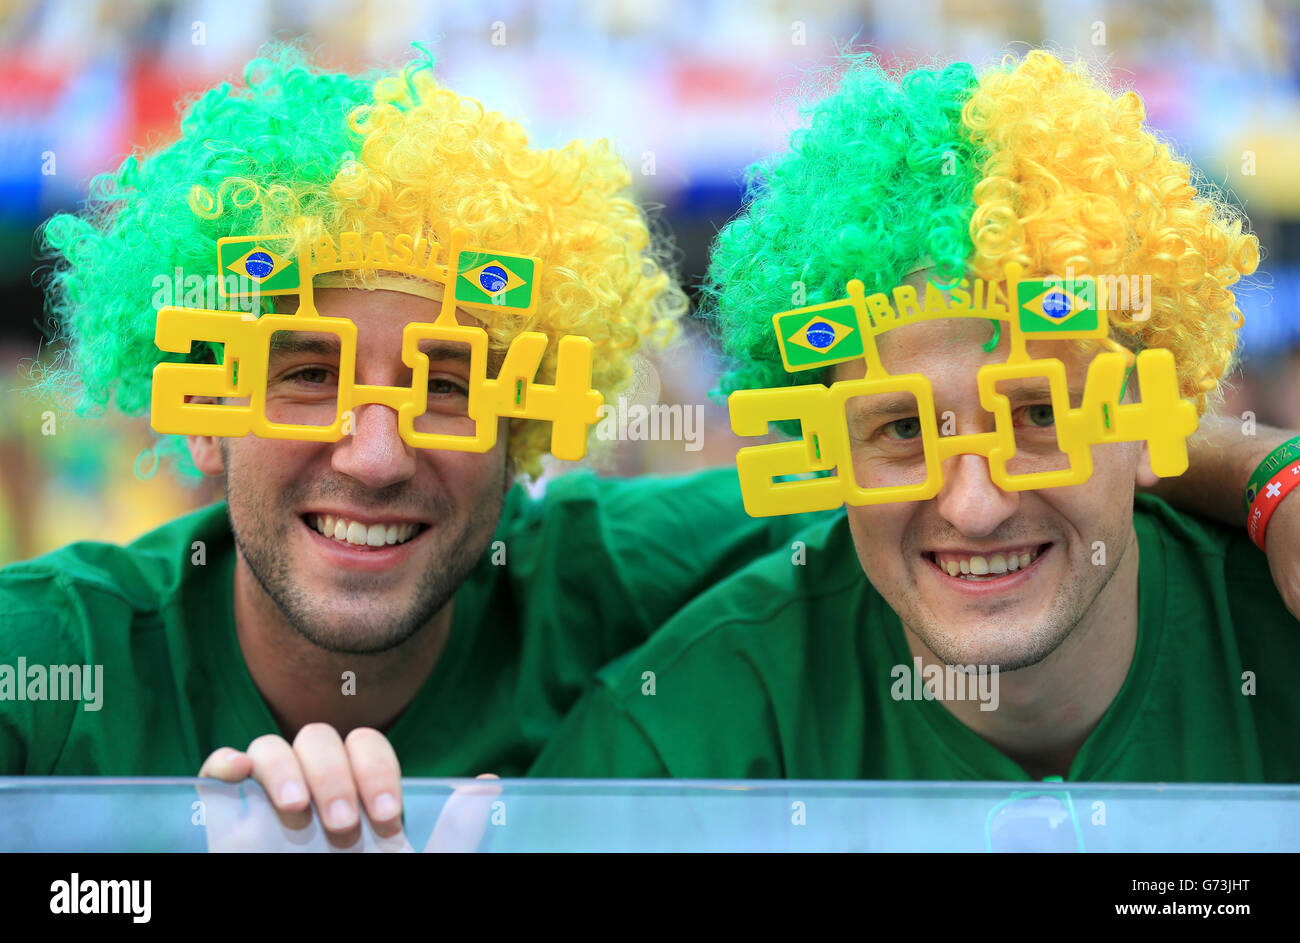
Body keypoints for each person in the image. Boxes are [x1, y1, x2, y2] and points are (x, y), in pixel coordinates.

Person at [2, 46, 1293, 844]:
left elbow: (915, 473)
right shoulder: (44, 662)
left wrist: (1269, 478)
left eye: (451, 382)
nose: (377, 450)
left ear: (529, 423)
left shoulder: (657, 577)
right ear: (195, 396)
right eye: (303, 380)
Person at [528, 51, 1300, 783]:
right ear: (826, 448)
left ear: (1146, 417)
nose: (974, 503)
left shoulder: (1278, 631)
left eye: (1036, 413)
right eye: (902, 429)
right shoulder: (679, 741)